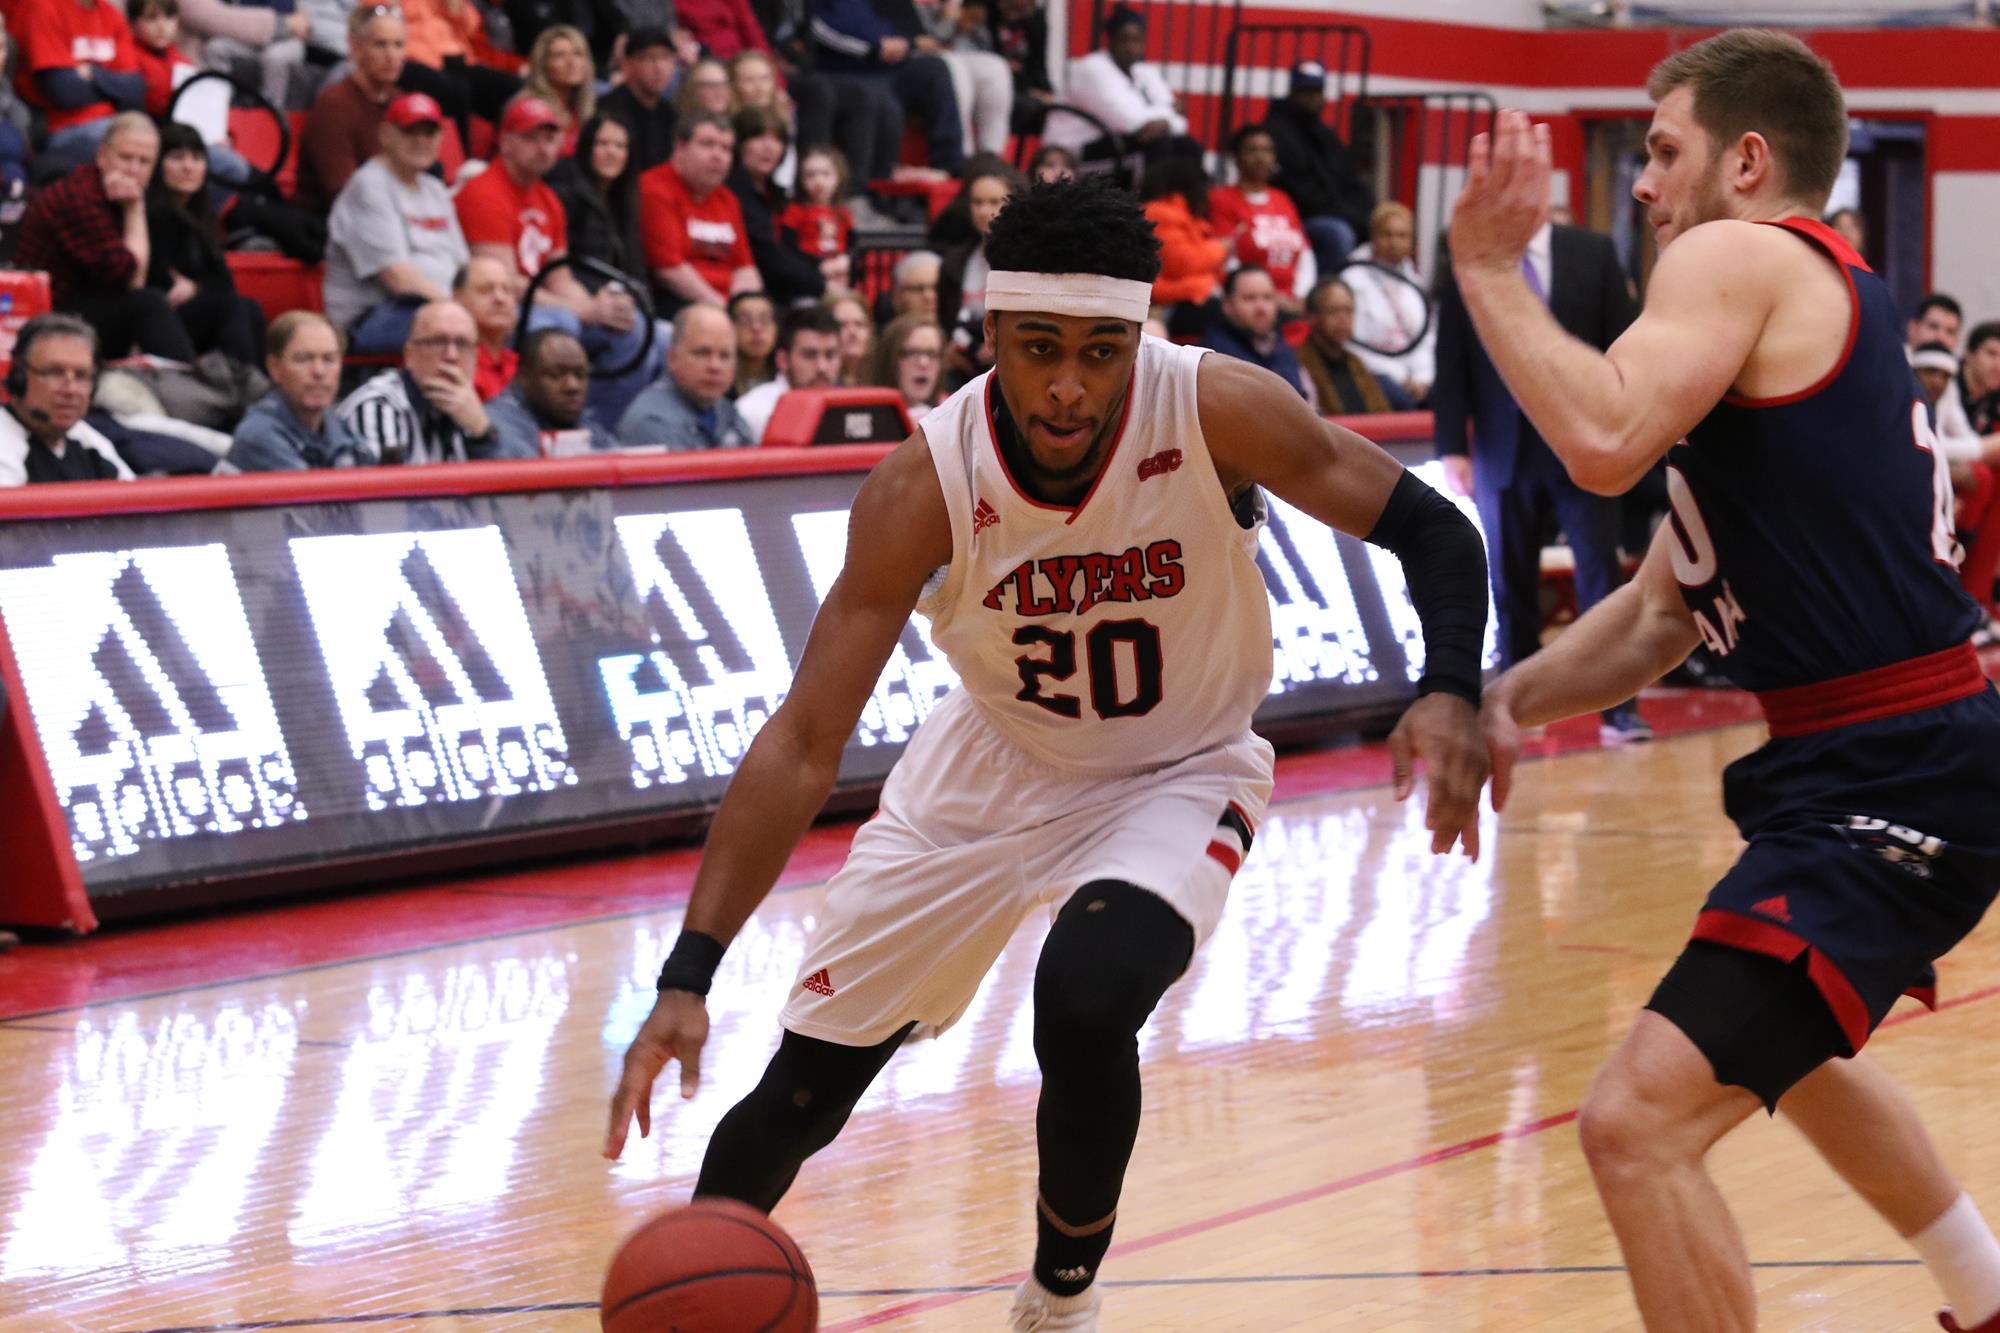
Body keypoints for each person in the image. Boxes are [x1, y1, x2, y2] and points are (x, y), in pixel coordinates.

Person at [602, 174, 1490, 1333]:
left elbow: (1430, 526)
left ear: (1137, 338)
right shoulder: (925, 482)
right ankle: (694, 1301)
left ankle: (1056, 1298)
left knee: (1082, 1000)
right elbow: (805, 739)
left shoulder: (1214, 408)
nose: (1068, 385)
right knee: (800, 1095)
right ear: (989, 339)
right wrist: (686, 976)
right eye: (1036, 350)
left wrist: (1448, 689)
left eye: (1098, 350)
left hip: (1177, 771)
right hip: (985, 769)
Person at [1448, 31, 2000, 1333]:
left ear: (1749, 162)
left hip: (1894, 762)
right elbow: (1652, 617)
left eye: (1662, 151)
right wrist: (1511, 697)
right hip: (1878, 756)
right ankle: (1985, 1296)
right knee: (1782, 1055)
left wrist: (1482, 263)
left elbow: (1596, 437)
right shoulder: (1800, 311)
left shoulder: (1738, 255)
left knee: (1633, 1124)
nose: (1640, 185)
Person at [1433, 185, 1642, 739]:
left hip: (1582, 439)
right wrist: (1452, 444)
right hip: (1504, 446)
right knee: (1509, 579)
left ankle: (1619, 709)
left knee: (1600, 571)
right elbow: (1451, 356)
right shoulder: (1471, 260)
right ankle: (1519, 706)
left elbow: (1623, 340)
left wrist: (1625, 423)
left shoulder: (1591, 251)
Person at [459, 96, 656, 430]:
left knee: (640, 331)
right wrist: (583, 311)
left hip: (540, 302)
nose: (543, 147)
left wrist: (599, 306)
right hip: (502, 307)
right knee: (559, 326)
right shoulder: (484, 192)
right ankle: (548, 429)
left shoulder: (548, 199)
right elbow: (503, 285)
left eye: (550, 138)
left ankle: (599, 427)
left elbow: (560, 277)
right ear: (505, 142)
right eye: (530, 137)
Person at [15, 113, 196, 362]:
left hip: (92, 306)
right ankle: (194, 388)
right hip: (50, 318)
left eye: (144, 162)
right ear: (102, 156)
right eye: (125, 158)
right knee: (149, 304)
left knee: (235, 308)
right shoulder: (79, 197)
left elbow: (155, 274)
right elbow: (131, 279)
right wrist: (135, 209)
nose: (134, 170)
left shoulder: (127, 196)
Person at [323, 92, 468, 355]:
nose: (421, 141)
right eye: (410, 132)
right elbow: (397, 278)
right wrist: (460, 313)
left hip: (433, 308)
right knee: (460, 333)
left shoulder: (434, 189)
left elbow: (463, 267)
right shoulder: (369, 185)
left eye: (429, 133)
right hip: (372, 317)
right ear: (386, 134)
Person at [338, 300, 523, 463]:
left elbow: (509, 496)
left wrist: (481, 433)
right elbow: (392, 498)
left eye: (462, 343)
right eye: (438, 341)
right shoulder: (377, 408)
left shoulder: (469, 408)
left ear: (476, 357)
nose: (452, 355)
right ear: (410, 355)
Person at [145, 121, 266, 366]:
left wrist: (196, 288)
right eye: (177, 158)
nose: (189, 167)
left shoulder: (202, 216)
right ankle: (241, 386)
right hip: (163, 318)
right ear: (158, 165)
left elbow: (224, 282)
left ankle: (258, 389)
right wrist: (199, 288)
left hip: (198, 310)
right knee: (233, 309)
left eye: (197, 158)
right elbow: (162, 281)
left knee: (249, 308)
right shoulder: (151, 215)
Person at [640, 112, 764, 312]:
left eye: (726, 148)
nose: (718, 156)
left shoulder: (728, 199)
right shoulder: (654, 188)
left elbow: (745, 268)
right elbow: (669, 269)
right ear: (680, 147)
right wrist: (724, 311)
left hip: (726, 306)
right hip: (679, 302)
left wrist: (743, 308)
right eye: (707, 144)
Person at [1043, 4, 1194, 166]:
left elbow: (1179, 122)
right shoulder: (1092, 69)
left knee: (1188, 146)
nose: (1130, 48)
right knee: (1158, 144)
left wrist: (1168, 122)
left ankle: (1182, 191)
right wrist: (1170, 114)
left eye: (1136, 40)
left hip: (1117, 139)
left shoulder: (1145, 72)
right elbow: (1132, 122)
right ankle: (1155, 192)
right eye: (1124, 40)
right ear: (1110, 41)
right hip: (1075, 146)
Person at [1263, 60, 1375, 276]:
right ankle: (1323, 297)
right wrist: (1353, 217)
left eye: (1317, 91)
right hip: (1299, 219)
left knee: (1388, 231)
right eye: (1305, 91)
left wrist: (1370, 216)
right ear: (1293, 92)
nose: (1312, 98)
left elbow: (1351, 180)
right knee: (1338, 235)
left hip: (1337, 213)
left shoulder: (1325, 134)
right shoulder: (1276, 131)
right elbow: (1303, 194)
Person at [13, 0, 146, 181]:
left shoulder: (111, 15)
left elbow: (135, 87)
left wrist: (94, 73)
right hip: (61, 129)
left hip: (113, 122)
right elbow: (63, 91)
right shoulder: (45, 7)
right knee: (129, 144)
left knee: (150, 142)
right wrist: (113, 86)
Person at [294, 4, 407, 213]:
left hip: (390, 216)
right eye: (380, 45)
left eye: (398, 45)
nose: (391, 56)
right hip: (335, 227)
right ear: (355, 47)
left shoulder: (400, 102)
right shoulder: (334, 105)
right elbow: (342, 192)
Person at [0, 313, 132, 484]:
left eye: (81, 375)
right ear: (18, 378)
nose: (71, 390)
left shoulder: (90, 442)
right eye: (54, 372)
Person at [228, 311, 367, 470]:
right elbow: (318, 494)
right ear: (274, 367)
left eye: (329, 359)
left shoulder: (339, 425)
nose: (319, 371)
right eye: (304, 359)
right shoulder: (258, 435)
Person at [729, 105, 833, 304]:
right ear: (739, 144)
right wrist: (819, 281)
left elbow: (791, 249)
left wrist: (822, 268)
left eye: (777, 139)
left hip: (787, 289)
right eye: (758, 137)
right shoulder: (733, 192)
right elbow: (767, 254)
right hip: (756, 295)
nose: (769, 147)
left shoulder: (778, 195)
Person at [616, 303, 755, 448]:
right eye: (702, 353)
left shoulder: (724, 410)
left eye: (725, 356)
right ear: (672, 358)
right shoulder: (650, 422)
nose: (715, 366)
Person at [1209, 124, 1314, 314]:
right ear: (1237, 157)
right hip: (1252, 302)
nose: (1261, 157)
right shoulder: (1221, 199)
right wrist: (1267, 296)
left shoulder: (1283, 199)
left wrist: (1302, 296)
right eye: (1252, 150)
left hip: (1292, 301)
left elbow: (1305, 254)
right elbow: (1225, 258)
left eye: (1267, 150)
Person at [550, 111, 649, 297]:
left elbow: (636, 270)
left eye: (620, 146)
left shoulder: (624, 200)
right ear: (587, 147)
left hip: (618, 299)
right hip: (576, 297)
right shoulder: (565, 194)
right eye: (602, 143)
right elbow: (566, 263)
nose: (611, 152)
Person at [1345, 201, 1436, 402]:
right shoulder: (1351, 280)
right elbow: (1353, 344)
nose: (1394, 242)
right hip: (1374, 372)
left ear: (1412, 243)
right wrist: (1401, 378)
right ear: (1374, 238)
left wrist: (1422, 378)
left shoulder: (1416, 283)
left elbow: (1425, 340)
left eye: (1402, 236)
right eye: (1387, 234)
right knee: (1400, 399)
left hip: (1415, 377)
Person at [937, 160, 1016, 386]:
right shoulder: (955, 260)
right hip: (963, 370)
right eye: (977, 202)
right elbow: (944, 318)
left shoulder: (1026, 260)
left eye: (994, 201)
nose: (984, 210)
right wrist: (948, 349)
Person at [486, 326, 618, 456]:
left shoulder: (582, 424)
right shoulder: (499, 421)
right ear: (523, 377)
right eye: (556, 375)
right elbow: (529, 473)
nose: (572, 386)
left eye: (580, 375)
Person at [1295, 277, 1415, 415]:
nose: (1343, 318)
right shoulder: (1298, 363)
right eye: (1333, 311)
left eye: (1348, 310)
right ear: (1312, 317)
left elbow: (1382, 415)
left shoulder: (1357, 365)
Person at [735, 302, 843, 440]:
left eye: (830, 355)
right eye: (809, 355)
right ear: (783, 360)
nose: (822, 367)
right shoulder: (752, 412)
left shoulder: (851, 409)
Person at [1201, 266, 1308, 400]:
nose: (1261, 308)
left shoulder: (1280, 344)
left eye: (1267, 298)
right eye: (1249, 298)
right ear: (1227, 305)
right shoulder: (1214, 354)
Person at [1139, 156, 1228, 319]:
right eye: (1206, 188)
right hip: (1166, 306)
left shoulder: (1189, 217)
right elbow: (1183, 264)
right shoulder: (1159, 213)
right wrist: (1221, 249)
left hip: (1185, 299)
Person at [777, 145, 854, 288]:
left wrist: (846, 259)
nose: (818, 181)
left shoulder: (843, 212)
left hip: (841, 274)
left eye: (826, 174)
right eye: (810, 175)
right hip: (809, 276)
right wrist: (817, 264)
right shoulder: (796, 211)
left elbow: (852, 244)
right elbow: (788, 247)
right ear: (800, 180)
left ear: (839, 177)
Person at [452, 256, 522, 401]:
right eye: (485, 290)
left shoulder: (523, 367)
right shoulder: (450, 363)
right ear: (457, 298)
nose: (500, 298)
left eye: (507, 290)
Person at [522, 23, 593, 154]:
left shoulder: (586, 108)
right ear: (543, 65)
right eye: (560, 55)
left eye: (578, 54)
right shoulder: (529, 109)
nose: (571, 62)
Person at [862, 309, 942, 412]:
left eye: (932, 354)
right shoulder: (864, 413)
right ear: (889, 358)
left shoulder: (953, 412)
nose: (923, 363)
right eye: (911, 353)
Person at [731, 289, 779, 395]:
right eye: (745, 320)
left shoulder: (789, 378)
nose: (756, 328)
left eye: (765, 319)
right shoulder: (720, 381)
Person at [824, 288, 875, 383]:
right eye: (842, 325)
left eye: (859, 324)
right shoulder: (820, 381)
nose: (853, 332)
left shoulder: (881, 379)